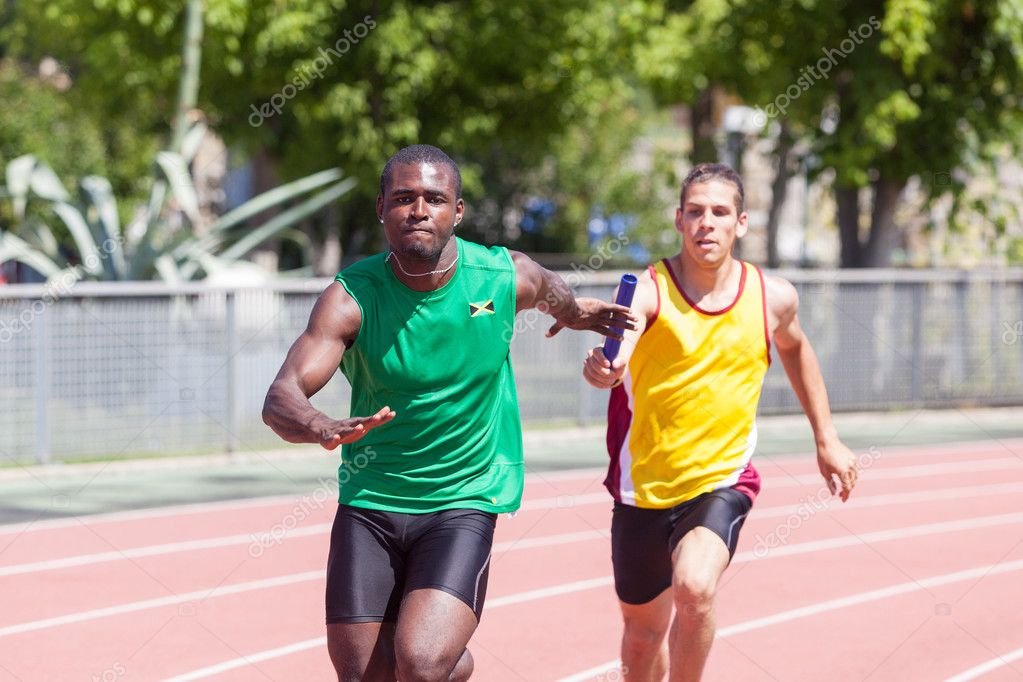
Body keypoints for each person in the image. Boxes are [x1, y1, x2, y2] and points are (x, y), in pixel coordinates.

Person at [263, 144, 636, 682]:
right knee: (366, 677)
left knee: (419, 662)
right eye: (404, 198)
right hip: (371, 500)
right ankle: (450, 671)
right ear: (381, 208)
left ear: (457, 212)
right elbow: (281, 395)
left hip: (464, 498)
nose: (419, 210)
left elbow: (553, 291)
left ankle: (443, 666)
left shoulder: (504, 275)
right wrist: (321, 425)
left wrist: (576, 313)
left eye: (434, 199)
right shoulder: (353, 297)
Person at [583, 163, 858, 682]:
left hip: (721, 480)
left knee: (695, 586)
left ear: (742, 222)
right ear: (678, 221)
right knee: (642, 643)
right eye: (695, 212)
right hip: (642, 489)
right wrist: (606, 368)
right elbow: (619, 348)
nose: (706, 223)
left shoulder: (771, 297)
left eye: (719, 212)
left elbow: (797, 350)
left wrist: (828, 439)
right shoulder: (650, 290)